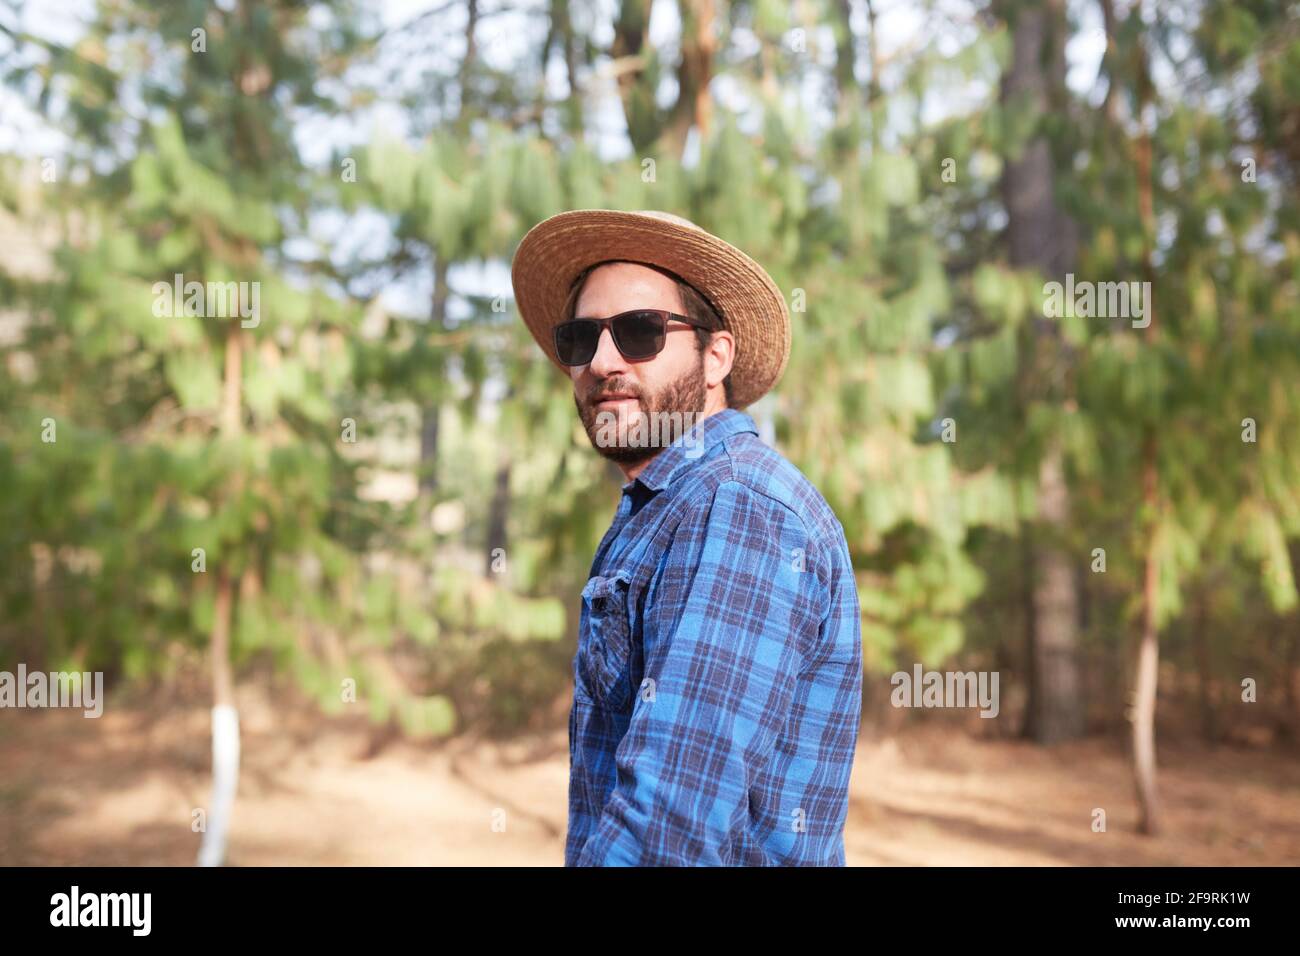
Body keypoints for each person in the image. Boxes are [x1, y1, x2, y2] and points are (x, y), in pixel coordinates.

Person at [511, 209, 862, 865]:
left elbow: (673, 825)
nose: (602, 361)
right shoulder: (666, 507)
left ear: (715, 356)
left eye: (640, 331)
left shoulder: (735, 505)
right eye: (581, 339)